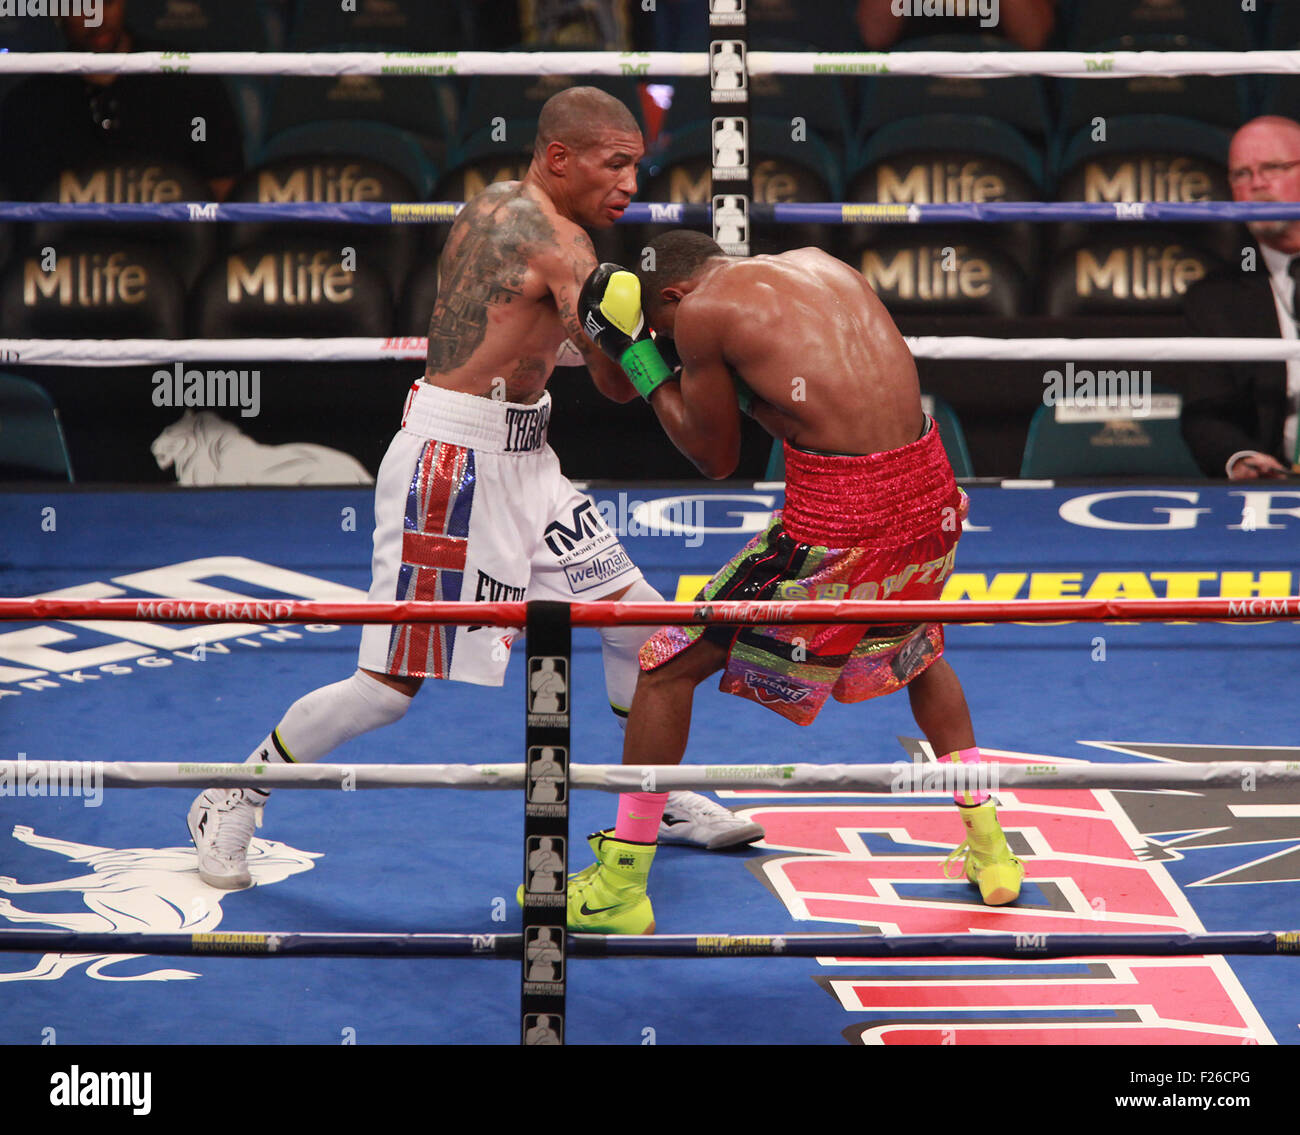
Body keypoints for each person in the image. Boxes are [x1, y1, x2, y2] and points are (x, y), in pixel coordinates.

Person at [186, 90, 760, 889]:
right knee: (387, 690)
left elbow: (536, 340)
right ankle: (232, 792)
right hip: (451, 470)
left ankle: (650, 796)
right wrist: (669, 348)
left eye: (637, 163)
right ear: (560, 157)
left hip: (531, 460)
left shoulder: (492, 204)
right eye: (615, 162)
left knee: (639, 625)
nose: (633, 181)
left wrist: (613, 321)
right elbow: (624, 387)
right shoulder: (564, 250)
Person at [567, 230, 1023, 932]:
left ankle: (623, 885)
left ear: (672, 296)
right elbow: (809, 402)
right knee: (918, 649)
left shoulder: (700, 312)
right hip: (931, 489)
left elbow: (713, 456)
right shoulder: (819, 264)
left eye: (664, 328)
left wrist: (637, 351)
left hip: (841, 513)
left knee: (661, 667)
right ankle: (991, 849)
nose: (671, 343)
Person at [0, 0, 244, 200]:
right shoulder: (29, 103)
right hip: (72, 250)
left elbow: (224, 189)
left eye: (106, 3)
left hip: (175, 248)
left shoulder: (188, 80)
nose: (97, 19)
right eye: (81, 7)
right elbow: (22, 212)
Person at [1181, 116, 1300, 480]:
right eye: (1241, 174)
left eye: (1273, 168)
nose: (1257, 184)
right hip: (1279, 486)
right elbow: (1205, 415)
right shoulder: (1214, 298)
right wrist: (1240, 457)